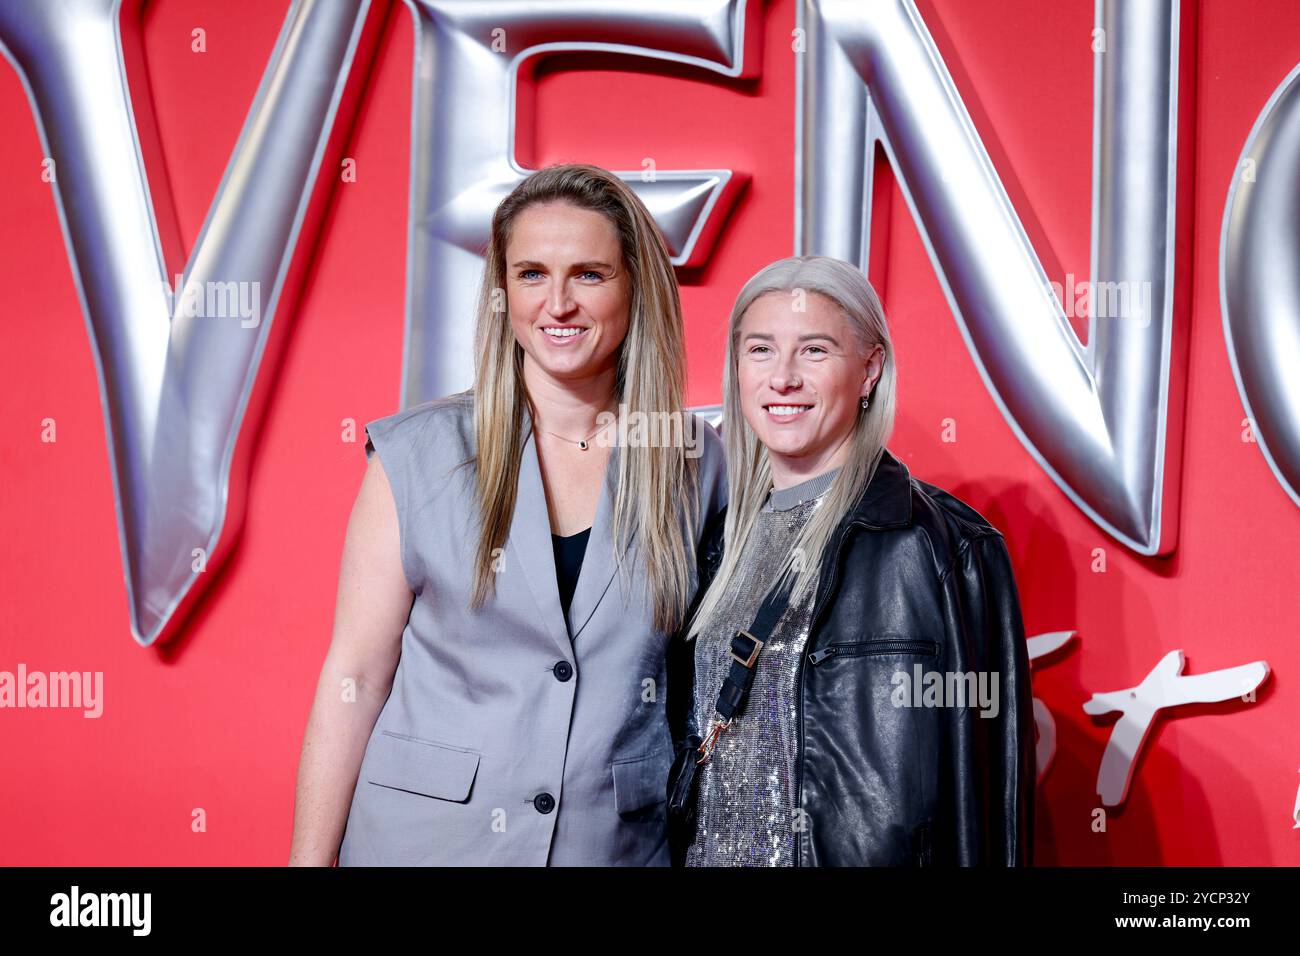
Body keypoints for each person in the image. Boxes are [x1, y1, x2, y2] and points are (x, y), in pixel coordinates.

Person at [290, 163, 726, 866]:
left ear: (635, 287)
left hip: (611, 848)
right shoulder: (416, 453)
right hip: (423, 845)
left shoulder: (696, 462)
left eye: (589, 273)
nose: (558, 303)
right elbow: (357, 676)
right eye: (530, 275)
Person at [668, 255, 1034, 866]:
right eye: (760, 349)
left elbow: (988, 788)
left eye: (814, 351)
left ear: (869, 370)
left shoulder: (942, 548)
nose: (782, 378)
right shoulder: (713, 541)